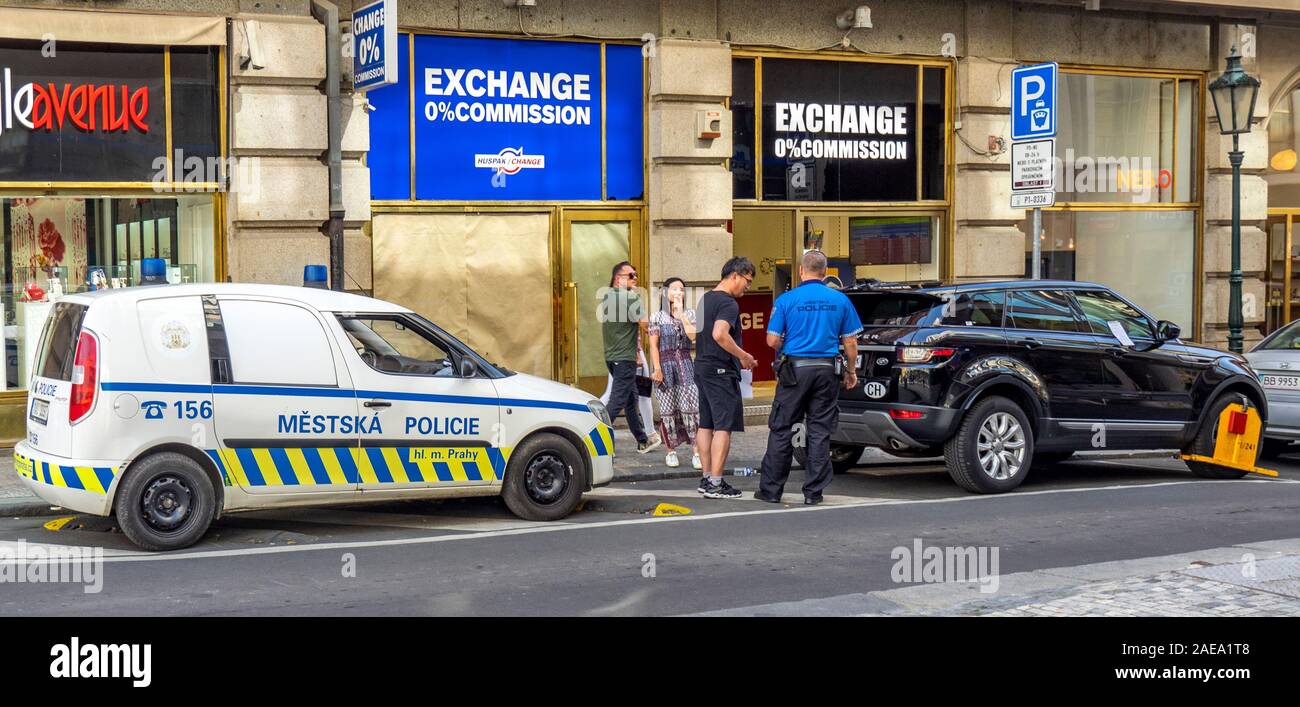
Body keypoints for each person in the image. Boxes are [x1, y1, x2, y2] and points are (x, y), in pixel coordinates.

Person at [754, 250, 862, 505]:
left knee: (782, 428)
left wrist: (787, 342)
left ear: (802, 271)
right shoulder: (840, 300)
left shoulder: (786, 300)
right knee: (819, 430)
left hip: (794, 370)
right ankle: (814, 492)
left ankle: (771, 491)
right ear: (825, 274)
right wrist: (851, 371)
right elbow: (851, 343)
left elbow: (771, 339)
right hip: (826, 370)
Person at [695, 257, 758, 499]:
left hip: (702, 366)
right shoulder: (728, 304)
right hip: (720, 370)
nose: (748, 287)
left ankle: (706, 477)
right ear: (735, 275)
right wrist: (743, 356)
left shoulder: (705, 299)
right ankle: (716, 483)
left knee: (706, 424)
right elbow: (720, 334)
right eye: (747, 281)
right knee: (723, 426)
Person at [601, 261, 660, 453]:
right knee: (617, 401)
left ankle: (643, 440)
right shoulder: (630, 298)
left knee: (630, 399)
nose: (635, 278)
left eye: (636, 275)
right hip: (625, 358)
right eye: (631, 275)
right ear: (618, 279)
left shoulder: (608, 297)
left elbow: (622, 328)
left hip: (612, 357)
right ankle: (596, 438)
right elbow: (644, 325)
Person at [648, 277, 701, 470]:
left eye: (681, 289)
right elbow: (653, 346)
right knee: (668, 410)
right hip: (665, 364)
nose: (678, 292)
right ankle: (671, 451)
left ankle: (696, 451)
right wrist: (657, 369)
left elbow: (693, 337)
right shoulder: (656, 317)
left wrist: (682, 315)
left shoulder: (691, 314)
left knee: (691, 408)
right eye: (674, 289)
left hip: (686, 364)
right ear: (664, 293)